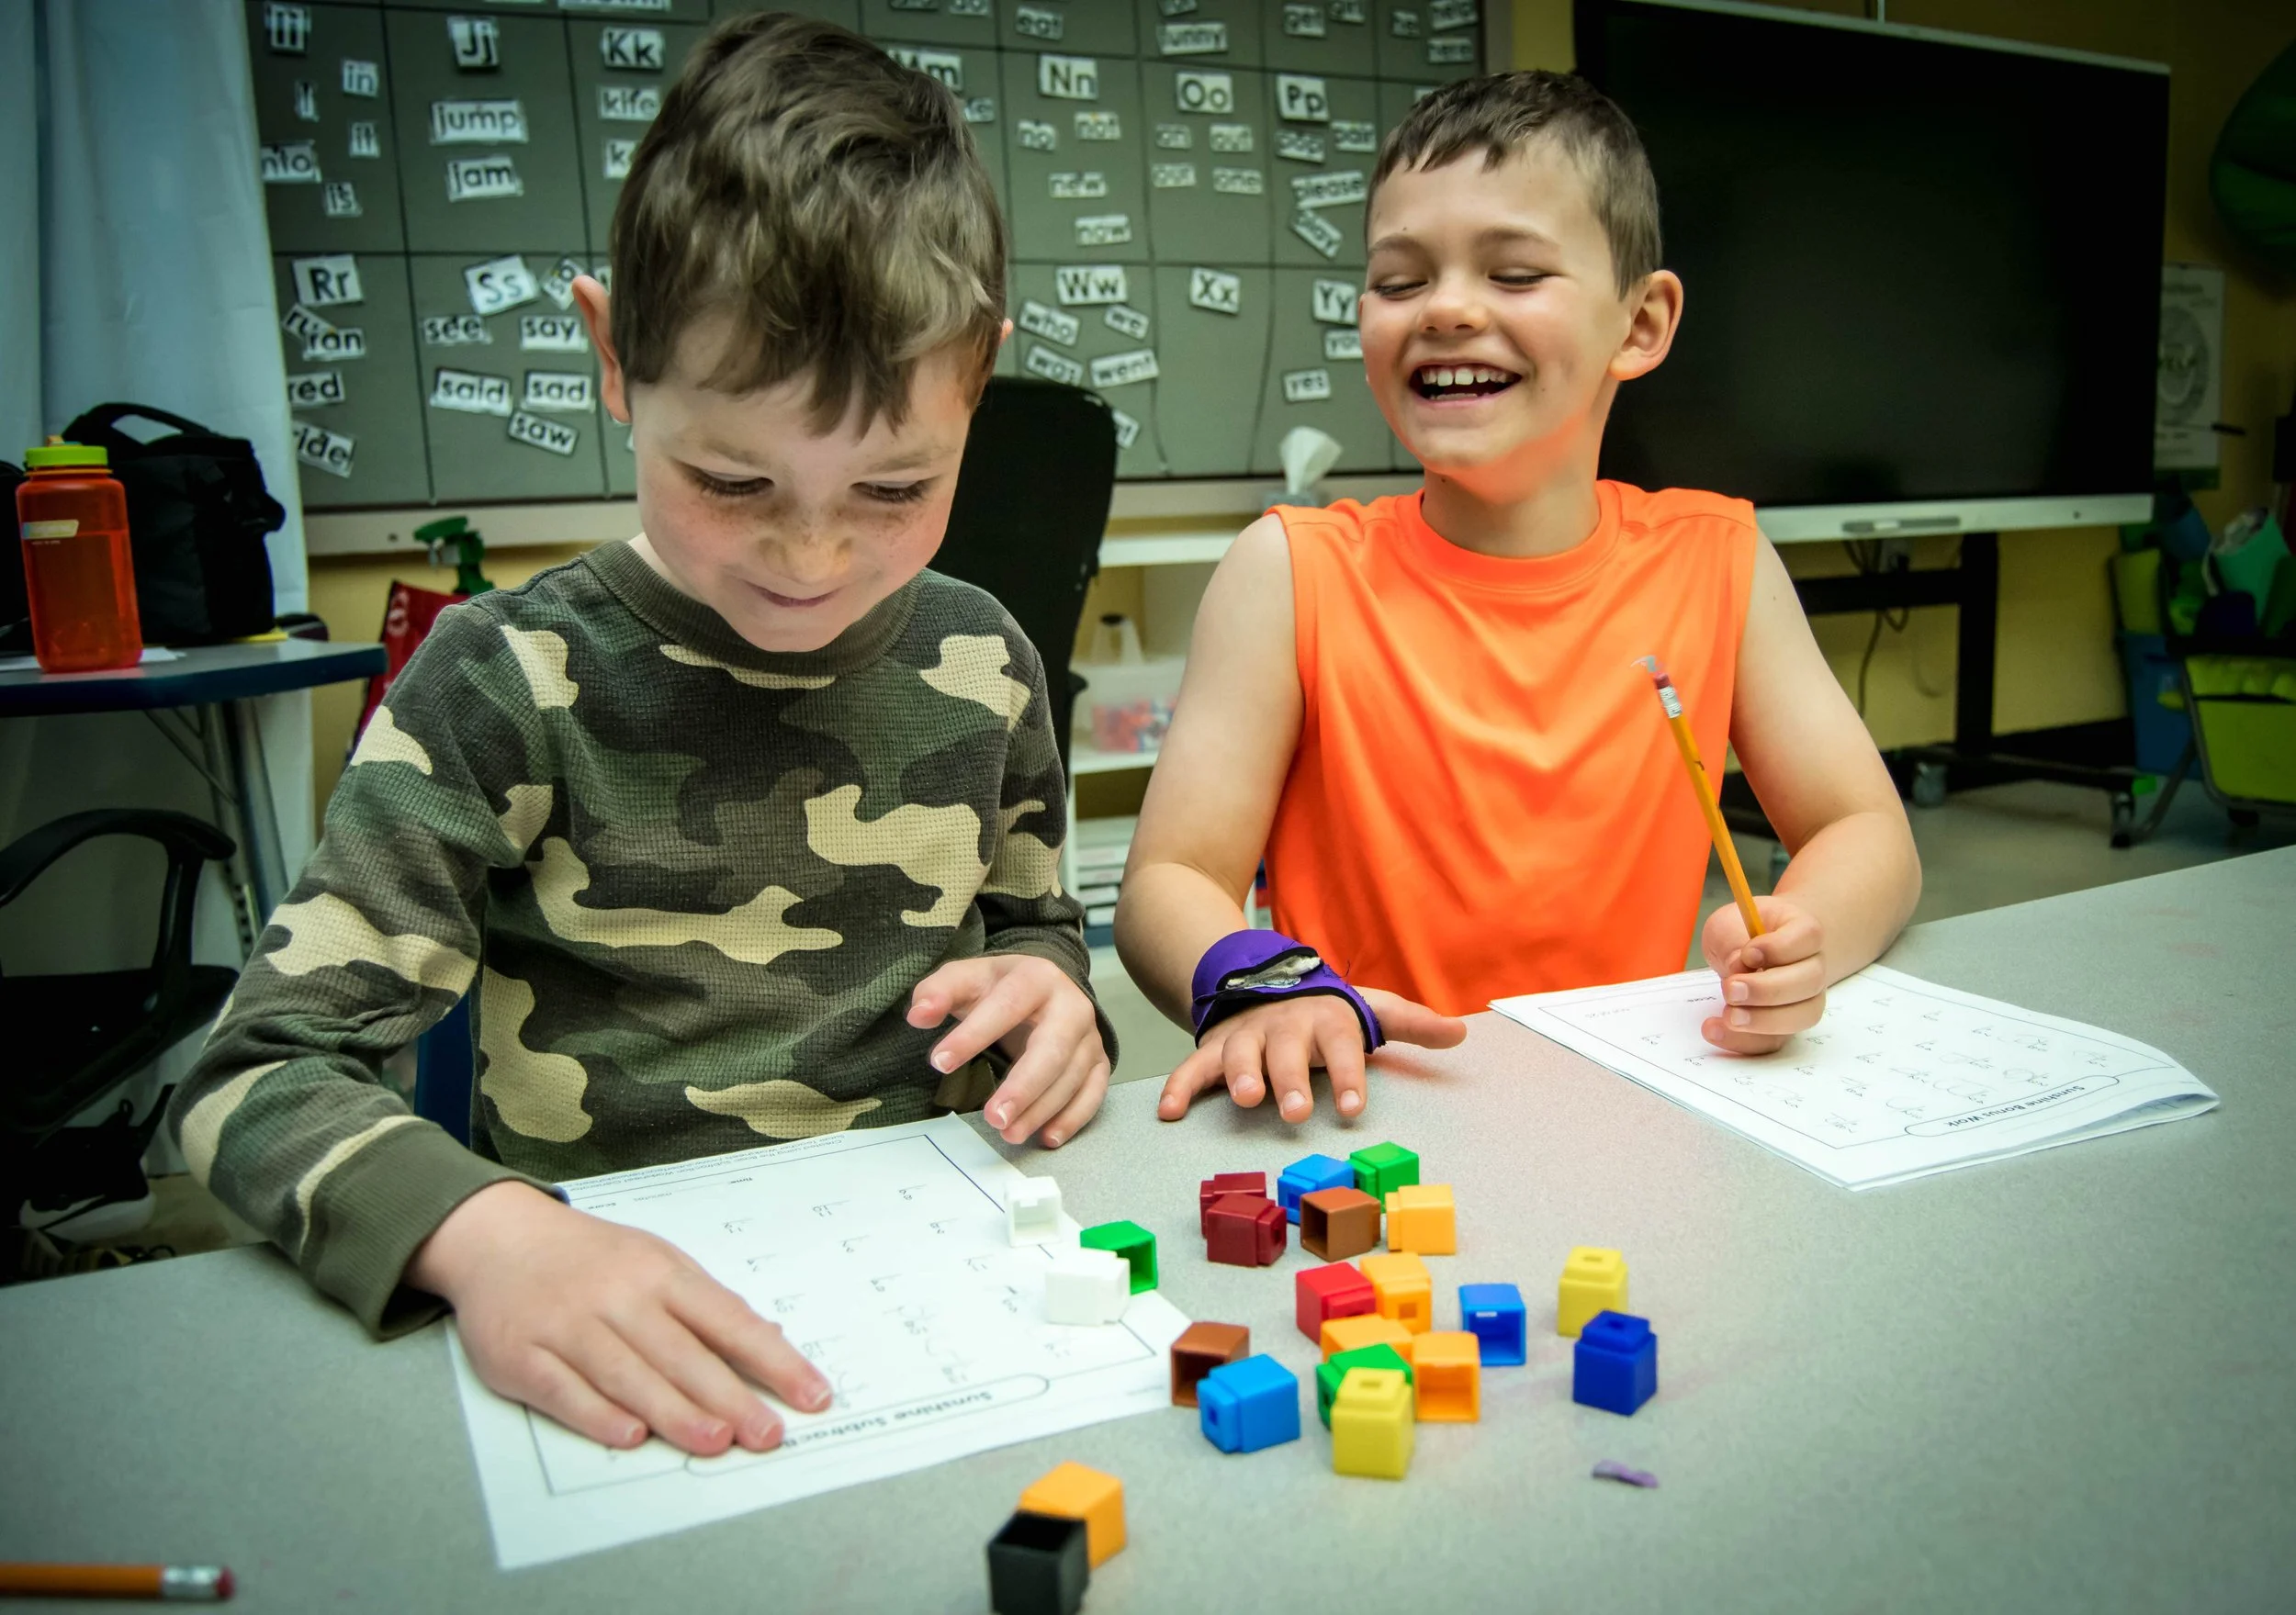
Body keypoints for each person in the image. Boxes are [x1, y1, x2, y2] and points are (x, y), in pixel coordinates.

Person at [168, 14, 1113, 1460]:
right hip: (614, 1308)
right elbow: (250, 1076)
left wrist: (1054, 994)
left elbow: (1038, 921)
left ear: (977, 375)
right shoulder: (506, 680)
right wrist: (487, 1239)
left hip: (951, 1275)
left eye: (894, 486)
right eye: (732, 478)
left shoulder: (982, 656)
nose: (810, 554)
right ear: (616, 357)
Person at [1116, 70, 1920, 1126]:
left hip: (1627, 1101)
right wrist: (1262, 983)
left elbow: (1869, 832)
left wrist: (1802, 936)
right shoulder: (1286, 571)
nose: (1447, 308)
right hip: (1369, 1106)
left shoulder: (1720, 560)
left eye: (1514, 271)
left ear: (1640, 324)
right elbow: (1167, 879)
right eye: (1399, 282)